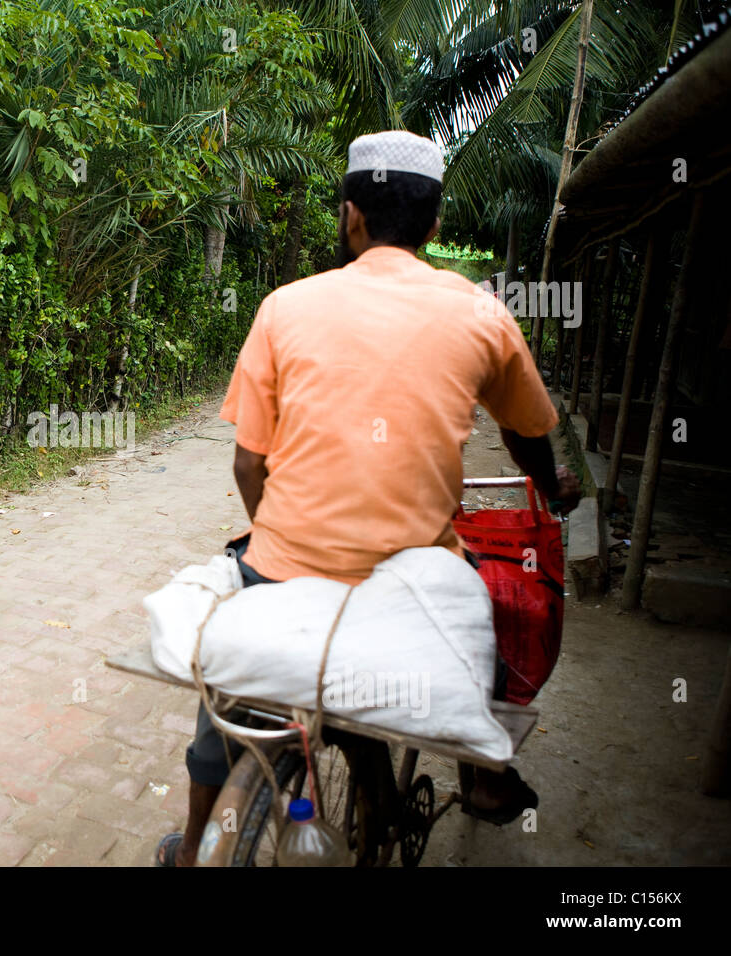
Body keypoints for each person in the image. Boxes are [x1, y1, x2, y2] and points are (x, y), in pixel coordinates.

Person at [156, 130, 581, 866]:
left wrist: (286, 536)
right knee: (476, 609)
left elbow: (249, 461)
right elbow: (528, 433)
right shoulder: (481, 312)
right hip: (412, 578)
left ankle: (194, 845)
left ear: (351, 215)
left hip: (287, 564)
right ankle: (483, 776)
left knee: (225, 698)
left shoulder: (286, 307)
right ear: (436, 224)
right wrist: (552, 487)